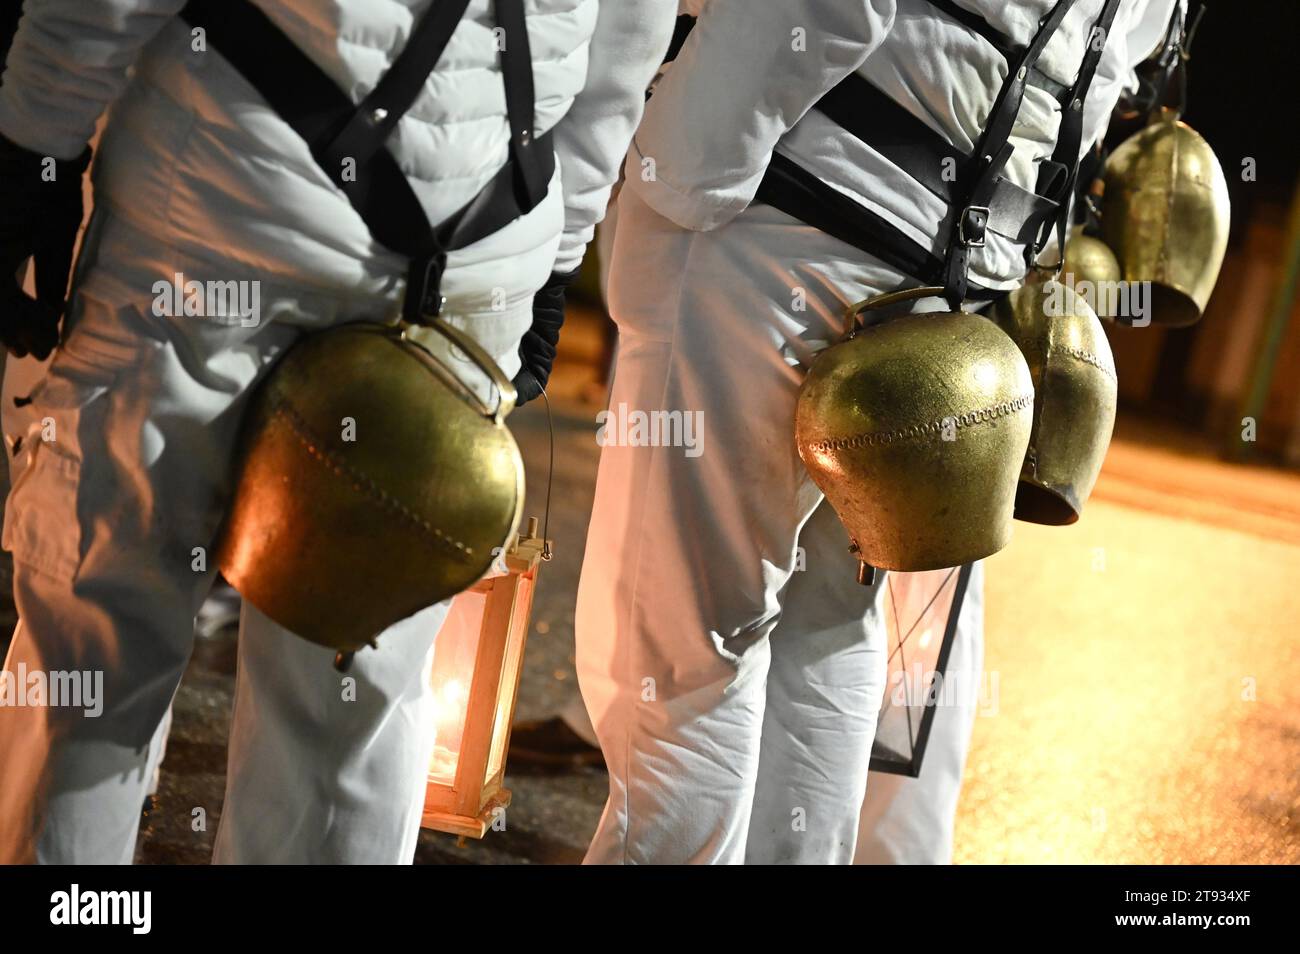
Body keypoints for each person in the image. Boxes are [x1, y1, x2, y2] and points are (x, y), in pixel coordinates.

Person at [0, 0, 674, 864]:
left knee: (103, 630)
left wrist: (35, 138)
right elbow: (628, 38)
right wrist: (560, 242)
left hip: (227, 192)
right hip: (479, 245)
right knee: (354, 684)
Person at [571, 0, 1178, 864]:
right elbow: (1112, 59)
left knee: (680, 647)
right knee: (828, 624)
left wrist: (680, 173)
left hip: (790, 222)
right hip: (957, 265)